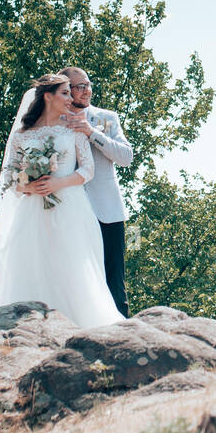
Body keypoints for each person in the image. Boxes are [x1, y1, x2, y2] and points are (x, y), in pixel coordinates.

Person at [0, 74, 124, 328]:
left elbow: (88, 170)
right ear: (47, 96)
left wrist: (57, 184)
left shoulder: (73, 128)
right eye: (64, 93)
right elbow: (9, 175)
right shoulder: (22, 134)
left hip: (70, 207)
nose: (71, 97)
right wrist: (29, 186)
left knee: (71, 265)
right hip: (32, 210)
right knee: (34, 261)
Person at [56, 66, 133, 318]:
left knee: (114, 285)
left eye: (88, 84)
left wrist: (91, 133)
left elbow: (126, 157)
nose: (86, 90)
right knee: (76, 281)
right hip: (69, 213)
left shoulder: (107, 118)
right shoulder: (54, 120)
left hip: (107, 212)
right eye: (79, 87)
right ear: (66, 90)